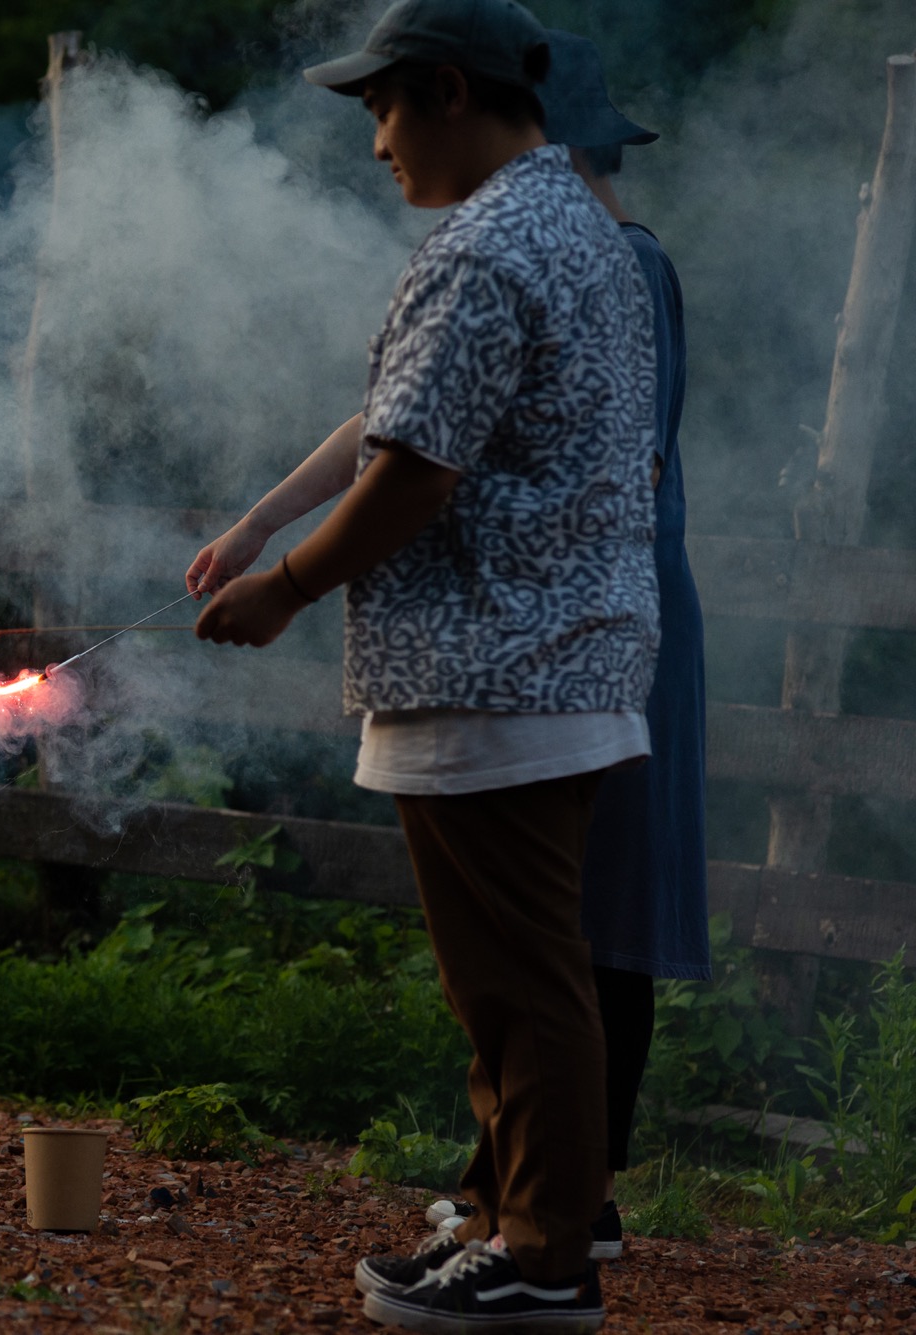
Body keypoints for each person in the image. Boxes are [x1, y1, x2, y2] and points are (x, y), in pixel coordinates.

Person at [186, 1, 658, 1330]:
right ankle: (518, 1230)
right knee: (512, 973)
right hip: (555, 662)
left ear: (448, 91)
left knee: (517, 978)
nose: (378, 145)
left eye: (382, 111)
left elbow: (417, 471)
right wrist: (264, 522)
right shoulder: (571, 225)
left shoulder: (489, 246)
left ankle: (544, 1252)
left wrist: (285, 585)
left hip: (495, 671)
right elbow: (404, 412)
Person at [425, 29, 710, 1263]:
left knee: (595, 909)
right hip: (593, 606)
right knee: (564, 910)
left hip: (610, 614)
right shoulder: (590, 254)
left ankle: (573, 1191)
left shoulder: (614, 263)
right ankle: (539, 1177)